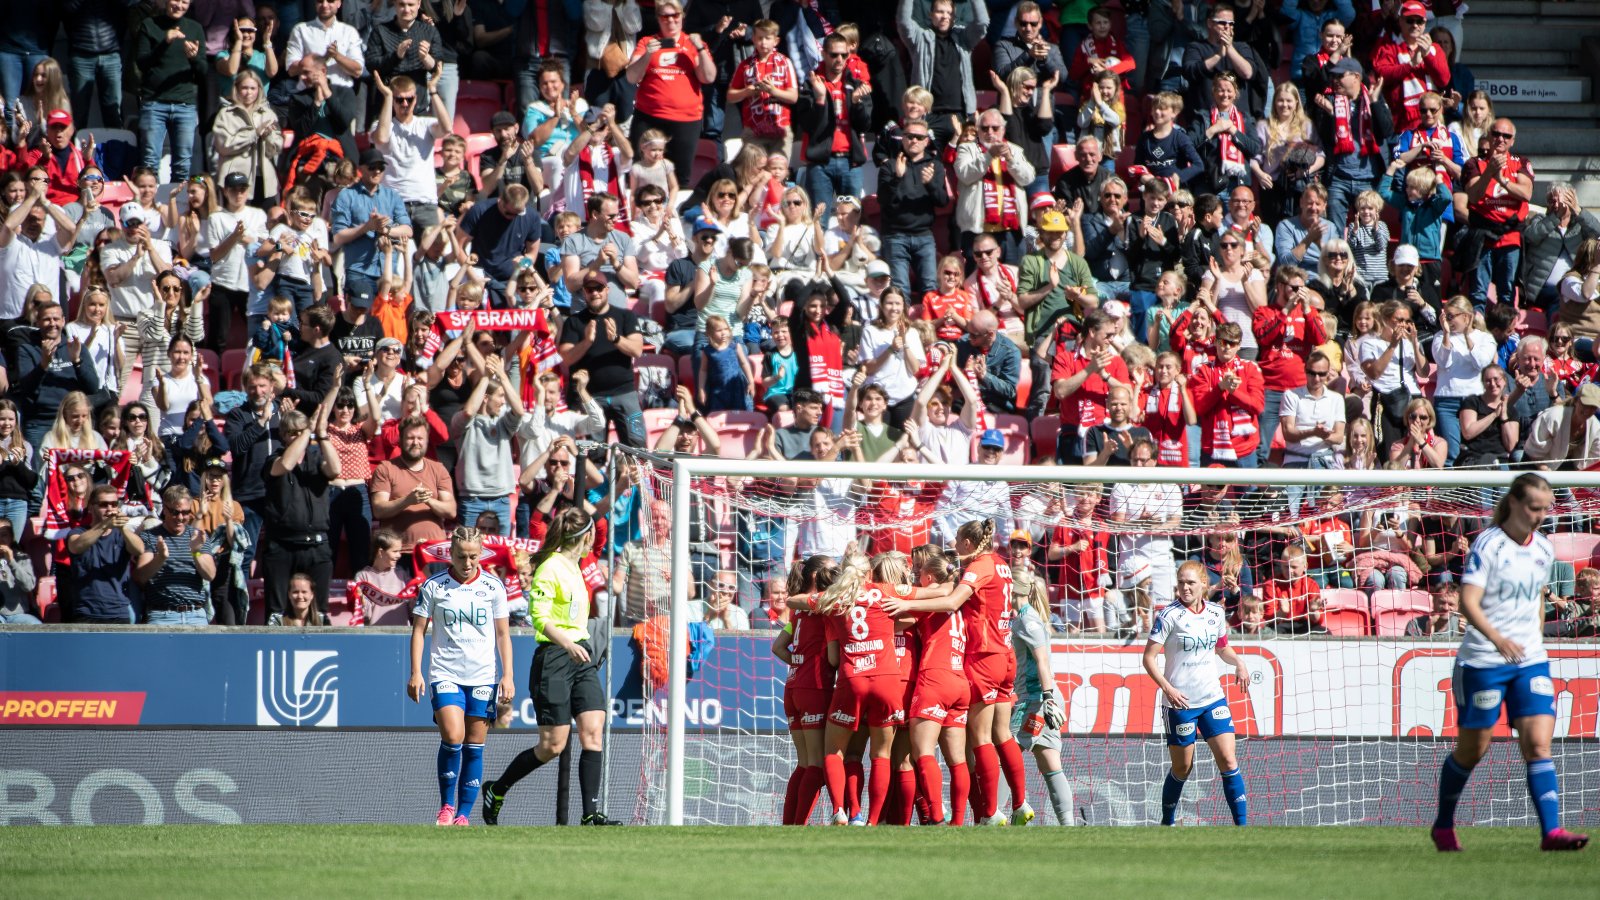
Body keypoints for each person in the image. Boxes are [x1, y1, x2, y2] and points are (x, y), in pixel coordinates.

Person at [1432, 473, 1589, 852]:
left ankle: (1551, 832)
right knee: (1474, 749)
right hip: (1484, 660)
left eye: (1546, 508)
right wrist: (1498, 638)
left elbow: (1536, 595)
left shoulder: (1544, 549)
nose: (1541, 516)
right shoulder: (1489, 545)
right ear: (1515, 504)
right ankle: (1443, 824)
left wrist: (1533, 638)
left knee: (1538, 743)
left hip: (1529, 660)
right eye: (1535, 508)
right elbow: (1469, 600)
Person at [483, 508, 622, 826]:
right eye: (591, 537)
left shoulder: (577, 565)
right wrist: (567, 644)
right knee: (553, 745)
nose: (593, 542)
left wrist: (579, 645)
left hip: (581, 656)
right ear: (584, 537)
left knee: (593, 734)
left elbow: (600, 521)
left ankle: (590, 814)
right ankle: (498, 788)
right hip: (555, 658)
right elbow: (540, 618)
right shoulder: (550, 568)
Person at [408, 525, 513, 826]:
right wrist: (416, 672)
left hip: (482, 675)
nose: (467, 563)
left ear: (481, 554)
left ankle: (464, 815)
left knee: (475, 745)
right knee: (454, 737)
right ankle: (446, 806)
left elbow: (503, 635)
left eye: (473, 557)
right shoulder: (434, 586)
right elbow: (419, 630)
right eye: (461, 556)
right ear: (450, 554)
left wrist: (508, 675)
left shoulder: (494, 588)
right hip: (446, 671)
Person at [1143, 560, 1251, 827]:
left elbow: (1222, 648)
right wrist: (1168, 689)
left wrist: (1239, 663)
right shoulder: (1169, 616)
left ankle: (1244, 828)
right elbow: (1148, 659)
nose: (1185, 587)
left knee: (1228, 759)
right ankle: (1167, 823)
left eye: (1190, 582)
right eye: (1181, 582)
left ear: (1204, 583)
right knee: (1182, 768)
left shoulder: (1215, 613)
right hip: (1180, 703)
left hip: (1212, 698)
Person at [1009, 545, 1072, 826]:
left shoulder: (1026, 620)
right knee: (1049, 762)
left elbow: (1042, 661)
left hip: (1035, 701)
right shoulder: (1027, 618)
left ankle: (998, 815)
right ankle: (1068, 825)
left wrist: (1047, 699)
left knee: (1004, 751)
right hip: (1039, 698)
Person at [624, 0, 715, 183]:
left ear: (682, 17)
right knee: (639, 170)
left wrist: (700, 48)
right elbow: (632, 77)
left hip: (685, 119)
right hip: (649, 116)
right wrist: (648, 55)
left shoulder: (693, 44)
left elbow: (708, 77)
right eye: (665, 16)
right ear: (658, 18)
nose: (671, 21)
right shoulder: (647, 42)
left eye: (675, 15)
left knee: (679, 176)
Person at [794, 32, 873, 221]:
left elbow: (865, 125)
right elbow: (806, 125)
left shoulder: (856, 85)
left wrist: (856, 103)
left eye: (844, 55)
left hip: (850, 162)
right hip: (821, 162)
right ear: (823, 54)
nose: (839, 59)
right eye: (834, 55)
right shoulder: (810, 84)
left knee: (854, 221)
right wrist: (820, 99)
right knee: (819, 221)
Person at [1459, 118, 1533, 310]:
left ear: (1512, 141)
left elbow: (1526, 193)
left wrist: (1502, 180)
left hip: (1510, 237)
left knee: (1507, 292)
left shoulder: (1521, 163)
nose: (1501, 139)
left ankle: (1505, 334)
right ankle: (1477, 335)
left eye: (1506, 136)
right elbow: (1473, 196)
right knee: (1477, 292)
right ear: (1489, 136)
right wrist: (1489, 172)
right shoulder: (1474, 163)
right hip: (1483, 235)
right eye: (1496, 134)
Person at [132, 0, 206, 183]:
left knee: (182, 164)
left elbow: (203, 71)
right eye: (176, 0)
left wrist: (194, 58)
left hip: (185, 104)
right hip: (154, 103)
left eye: (185, 2)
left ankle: (177, 207)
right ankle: (150, 208)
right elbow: (141, 63)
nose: (179, 5)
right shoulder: (150, 25)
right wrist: (165, 42)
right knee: (150, 163)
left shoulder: (195, 28)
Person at [332, 148, 414, 309]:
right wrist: (366, 227)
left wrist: (387, 230)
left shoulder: (392, 196)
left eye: (381, 167)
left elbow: (408, 230)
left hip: (388, 272)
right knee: (360, 323)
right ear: (360, 168)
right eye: (372, 167)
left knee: (387, 323)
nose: (377, 171)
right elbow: (338, 237)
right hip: (359, 271)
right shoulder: (346, 195)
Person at [372, 70, 453, 231]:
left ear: (415, 99)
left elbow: (447, 128)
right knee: (393, 253)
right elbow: (381, 138)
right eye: (399, 99)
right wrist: (388, 97)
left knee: (430, 255)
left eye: (409, 99)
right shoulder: (380, 125)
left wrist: (433, 90)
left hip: (425, 202)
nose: (405, 104)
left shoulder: (425, 124)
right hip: (393, 203)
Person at [876, 120, 946, 300]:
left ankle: (929, 328)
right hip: (895, 236)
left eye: (919, 137)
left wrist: (930, 185)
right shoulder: (889, 166)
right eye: (909, 136)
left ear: (926, 141)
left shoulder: (935, 166)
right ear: (903, 139)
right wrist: (896, 178)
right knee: (900, 290)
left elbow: (942, 201)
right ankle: (903, 328)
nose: (914, 140)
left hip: (924, 235)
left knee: (930, 287)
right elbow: (883, 200)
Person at [133, 485, 219, 626]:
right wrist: (160, 558)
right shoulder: (150, 536)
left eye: (185, 512)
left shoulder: (197, 536)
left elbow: (210, 575)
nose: (180, 518)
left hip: (195, 615)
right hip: (162, 615)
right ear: (165, 510)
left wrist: (195, 552)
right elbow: (140, 577)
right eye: (175, 512)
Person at [64, 484, 145, 625]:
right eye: (104, 504)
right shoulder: (78, 532)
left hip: (118, 611)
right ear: (90, 507)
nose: (110, 509)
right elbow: (76, 546)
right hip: (86, 611)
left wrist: (123, 529)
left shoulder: (122, 535)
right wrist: (105, 525)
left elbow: (139, 550)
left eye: (114, 504)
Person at [1183, 4, 1267, 120]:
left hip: (1239, 119)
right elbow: (1190, 71)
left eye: (1231, 23)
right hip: (1205, 118)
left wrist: (1229, 48)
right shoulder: (1196, 47)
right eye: (1222, 23)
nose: (1227, 27)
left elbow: (1248, 73)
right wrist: (1218, 56)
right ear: (1210, 23)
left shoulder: (1242, 47)